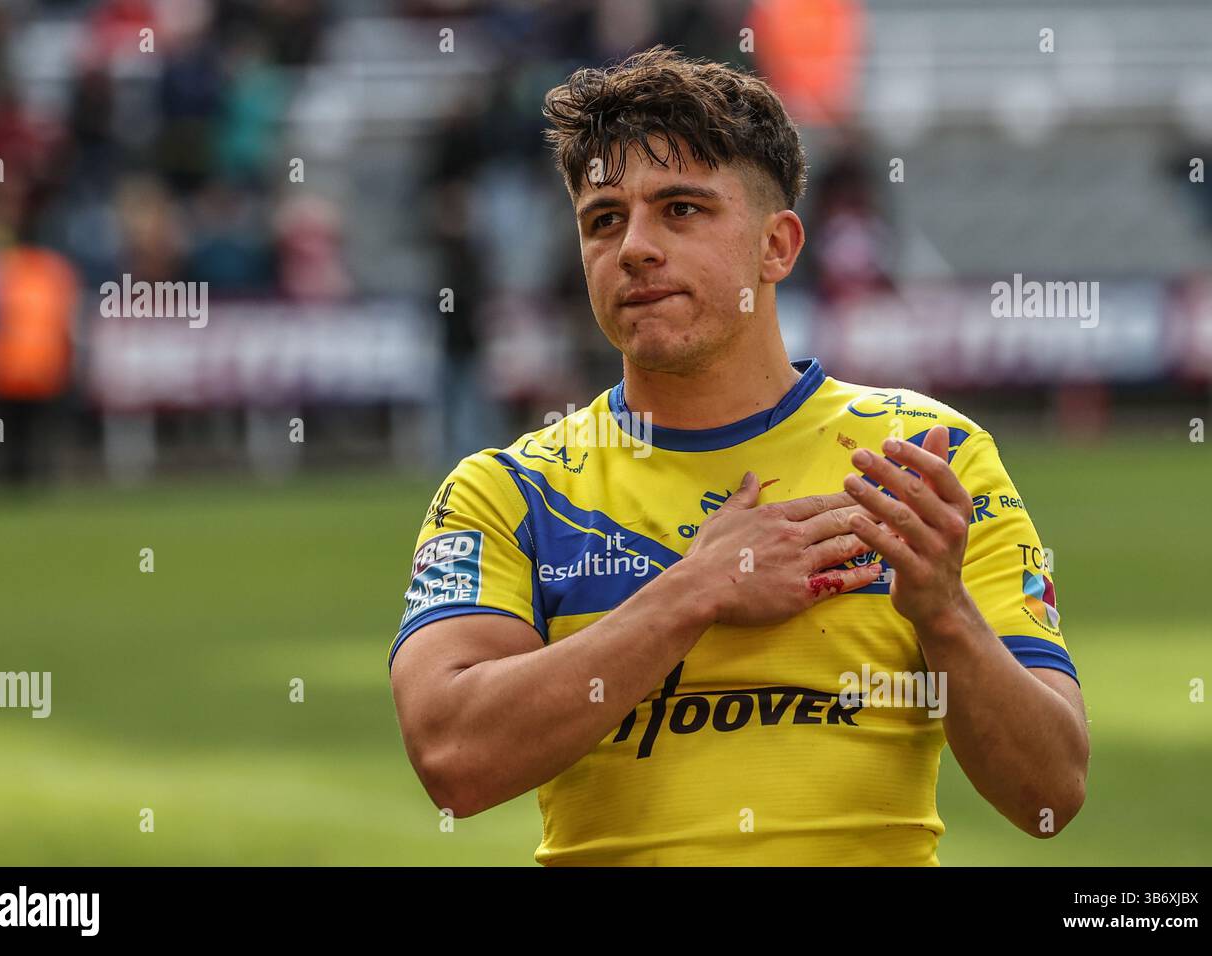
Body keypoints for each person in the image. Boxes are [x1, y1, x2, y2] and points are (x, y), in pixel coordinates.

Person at [388, 46, 1087, 866]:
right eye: (604, 219)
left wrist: (944, 614)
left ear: (778, 246)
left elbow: (1049, 795)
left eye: (681, 209)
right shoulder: (508, 492)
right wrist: (694, 591)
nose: (636, 247)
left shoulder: (926, 459)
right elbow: (454, 761)